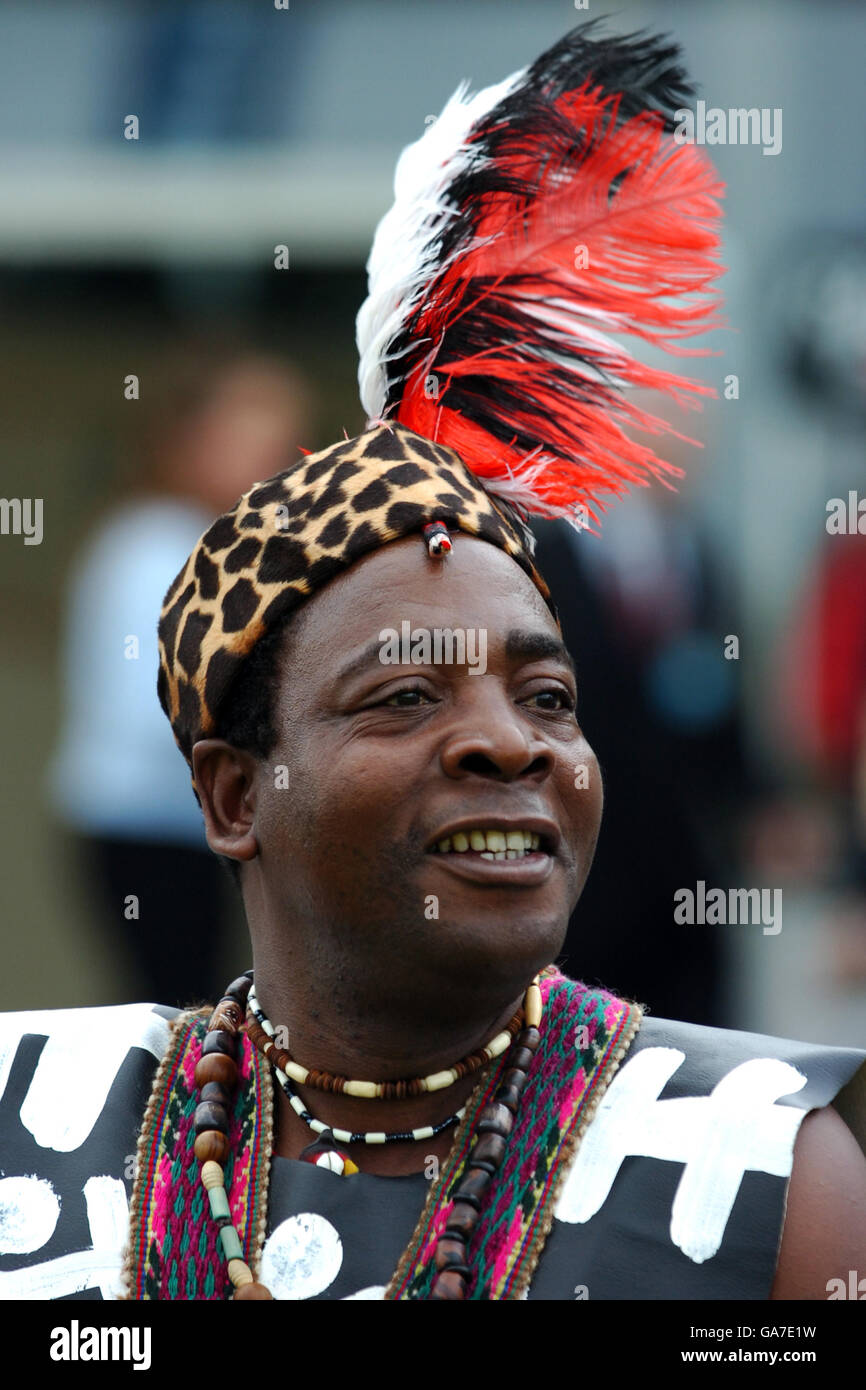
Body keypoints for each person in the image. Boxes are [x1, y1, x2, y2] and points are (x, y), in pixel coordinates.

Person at [1, 20, 864, 1302]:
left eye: (548, 694)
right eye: (406, 691)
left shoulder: (763, 1175)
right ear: (238, 793)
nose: (512, 741)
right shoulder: (41, 1138)